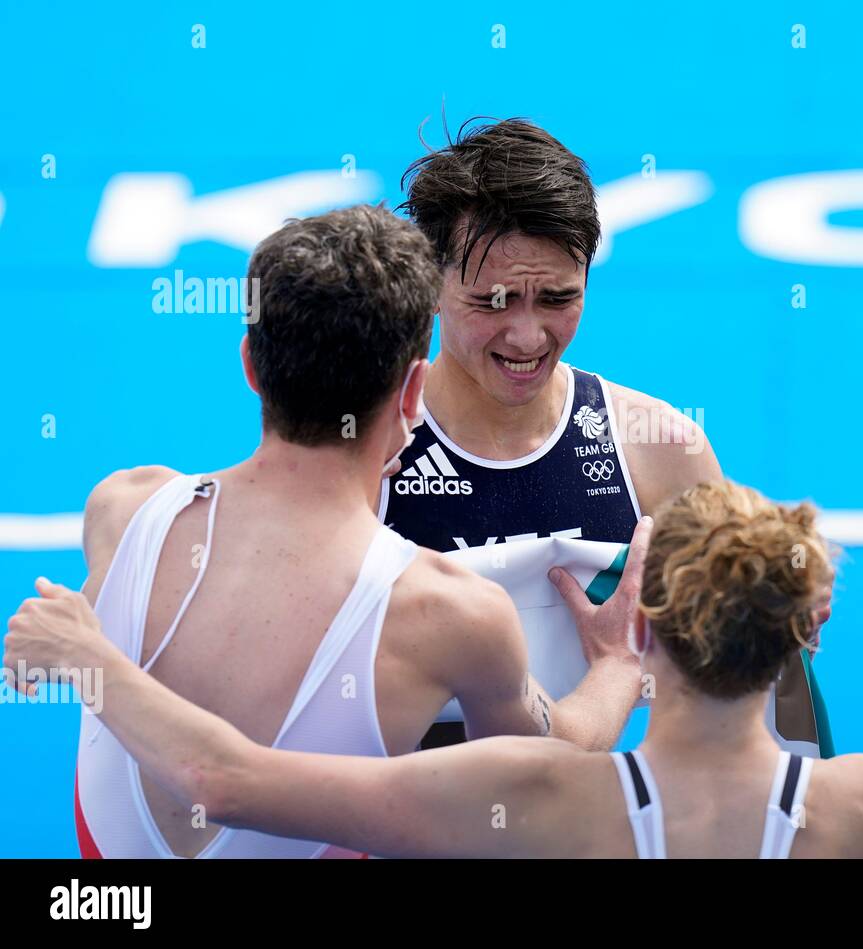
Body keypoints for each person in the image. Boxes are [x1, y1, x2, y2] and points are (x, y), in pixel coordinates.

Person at [8, 481, 863, 858]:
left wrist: (84, 654)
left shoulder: (534, 797)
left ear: (650, 628)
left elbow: (224, 781)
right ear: (804, 644)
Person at [54, 205, 645, 859]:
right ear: (413, 391)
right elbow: (545, 770)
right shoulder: (448, 612)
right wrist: (619, 664)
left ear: (251, 364)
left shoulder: (122, 511)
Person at [386, 117, 828, 754]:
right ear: (429, 281)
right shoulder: (369, 447)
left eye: (558, 298)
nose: (527, 337)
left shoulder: (658, 447)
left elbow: (748, 694)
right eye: (494, 302)